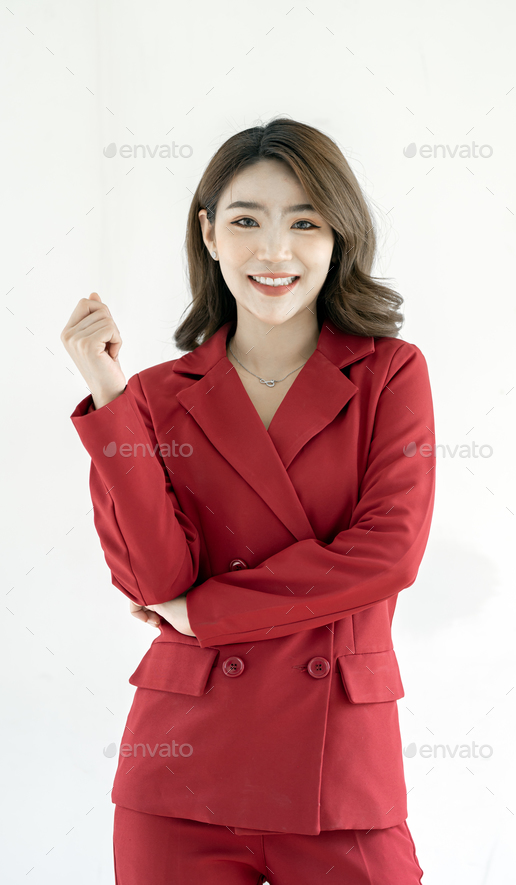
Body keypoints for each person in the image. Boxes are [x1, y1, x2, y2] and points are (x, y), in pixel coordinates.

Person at [61, 117, 436, 884]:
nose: (274, 250)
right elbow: (155, 581)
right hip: (181, 774)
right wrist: (108, 391)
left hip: (338, 775)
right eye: (245, 221)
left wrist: (210, 613)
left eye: (304, 221)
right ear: (209, 234)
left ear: (338, 236)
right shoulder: (154, 397)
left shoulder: (389, 373)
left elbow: (387, 553)